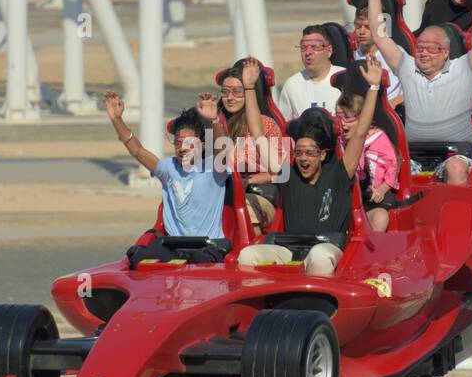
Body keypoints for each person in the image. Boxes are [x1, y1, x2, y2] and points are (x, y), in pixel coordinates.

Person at [236, 55, 387, 276]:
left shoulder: (339, 172)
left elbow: (360, 132)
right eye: (298, 153)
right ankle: (262, 301)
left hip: (328, 248)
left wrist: (374, 86)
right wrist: (249, 88)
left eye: (310, 153)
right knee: (247, 255)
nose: (303, 158)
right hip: (289, 248)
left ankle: (319, 304)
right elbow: (258, 134)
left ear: (323, 154)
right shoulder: (287, 174)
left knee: (318, 256)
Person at [369, 0, 472, 184]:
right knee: (384, 167)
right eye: (420, 47)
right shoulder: (407, 66)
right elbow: (380, 37)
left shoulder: (464, 67)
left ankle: (459, 216)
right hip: (413, 154)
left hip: (455, 153)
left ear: (445, 53)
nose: (424, 53)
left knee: (455, 168)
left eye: (431, 48)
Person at [104, 91, 228, 243]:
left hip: (209, 246)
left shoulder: (213, 169)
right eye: (178, 142)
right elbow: (137, 151)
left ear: (202, 145)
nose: (182, 148)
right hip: (174, 246)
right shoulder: (169, 168)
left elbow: (221, 148)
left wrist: (214, 120)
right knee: (137, 255)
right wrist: (117, 119)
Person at [200, 56, 283, 228]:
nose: (230, 98)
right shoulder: (215, 124)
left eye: (237, 92)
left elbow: (282, 172)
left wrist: (249, 181)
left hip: (259, 196)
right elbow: (213, 166)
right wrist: (213, 123)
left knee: (244, 208)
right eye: (225, 91)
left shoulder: (267, 124)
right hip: (222, 193)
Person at [335, 89, 400, 231]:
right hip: (347, 201)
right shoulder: (338, 142)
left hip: (372, 199)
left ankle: (375, 249)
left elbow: (393, 167)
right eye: (339, 118)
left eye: (348, 119)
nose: (343, 124)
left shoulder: (379, 138)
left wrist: (382, 190)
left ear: (363, 118)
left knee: (380, 217)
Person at [277, 25, 345, 119]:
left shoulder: (345, 78)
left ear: (329, 51)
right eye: (303, 47)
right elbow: (284, 126)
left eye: (315, 47)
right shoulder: (292, 85)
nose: (308, 52)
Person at [351, 5, 404, 110]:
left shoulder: (395, 53)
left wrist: (395, 102)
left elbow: (418, 86)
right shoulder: (351, 56)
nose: (361, 31)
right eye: (357, 26)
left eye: (368, 27)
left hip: (392, 112)